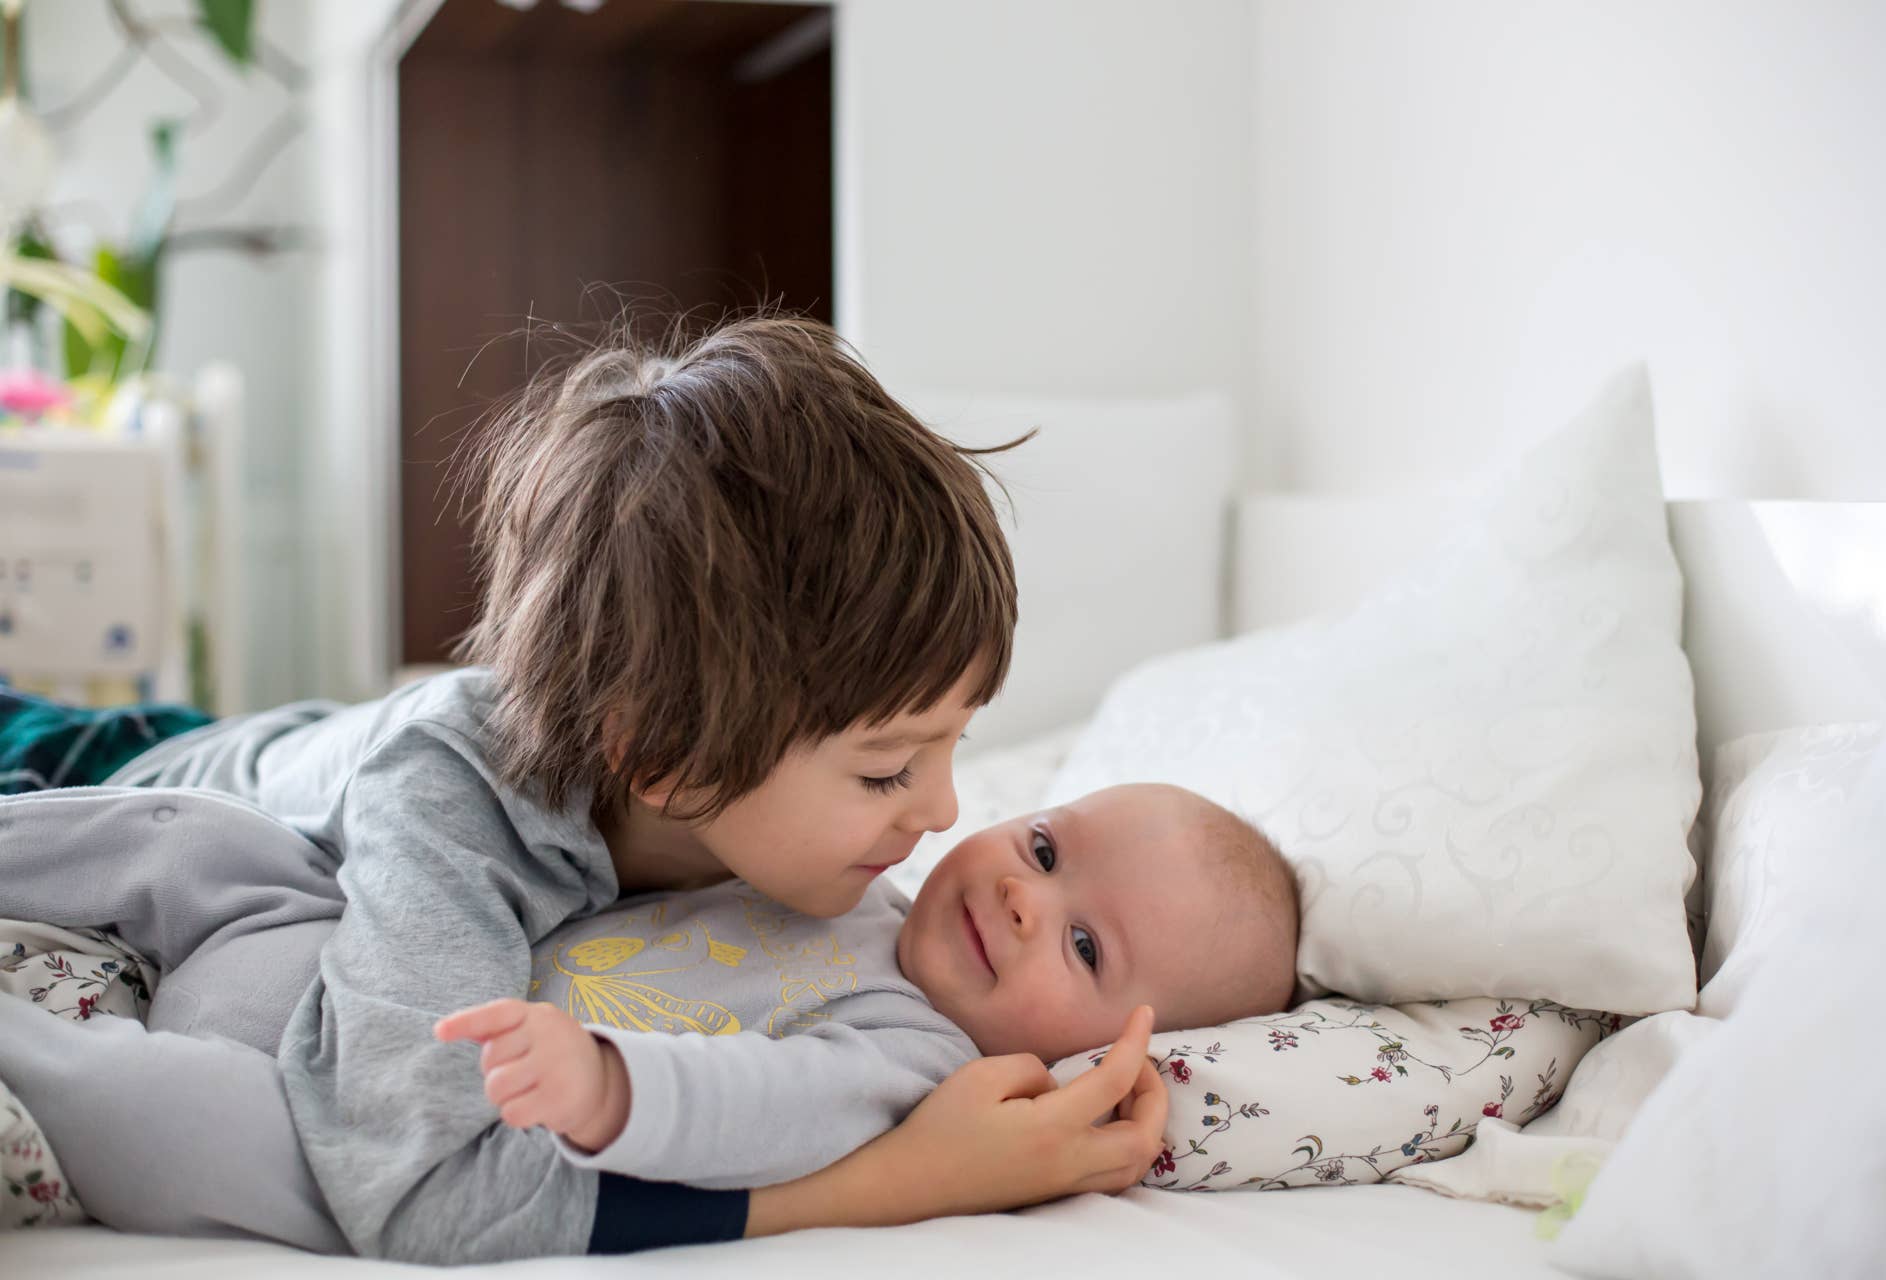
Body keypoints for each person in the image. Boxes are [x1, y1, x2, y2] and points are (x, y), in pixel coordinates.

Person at [0, 313, 1144, 1261]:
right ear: (665, 759)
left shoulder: (767, 845)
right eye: (888, 766)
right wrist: (901, 1180)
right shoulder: (452, 806)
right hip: (94, 765)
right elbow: (419, 1186)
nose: (942, 812)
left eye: (955, 746)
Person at [440, 783, 1301, 1189]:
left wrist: (606, 1085)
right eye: (1043, 850)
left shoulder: (918, 1060)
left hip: (505, 1101)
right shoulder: (855, 885)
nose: (1021, 897)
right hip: (445, 989)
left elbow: (770, 1105)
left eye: (1084, 946)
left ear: (1105, 1055)